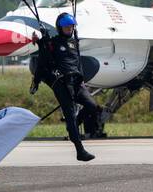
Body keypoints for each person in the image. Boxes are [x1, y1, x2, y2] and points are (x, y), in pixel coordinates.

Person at [31, 12, 101, 162]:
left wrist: (82, 79)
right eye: (66, 27)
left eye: (71, 27)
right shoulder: (52, 43)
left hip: (76, 82)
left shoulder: (74, 42)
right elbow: (42, 62)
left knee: (92, 106)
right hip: (62, 84)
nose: (69, 29)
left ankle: (74, 125)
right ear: (60, 28)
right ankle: (80, 150)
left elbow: (76, 63)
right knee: (69, 115)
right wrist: (35, 81)